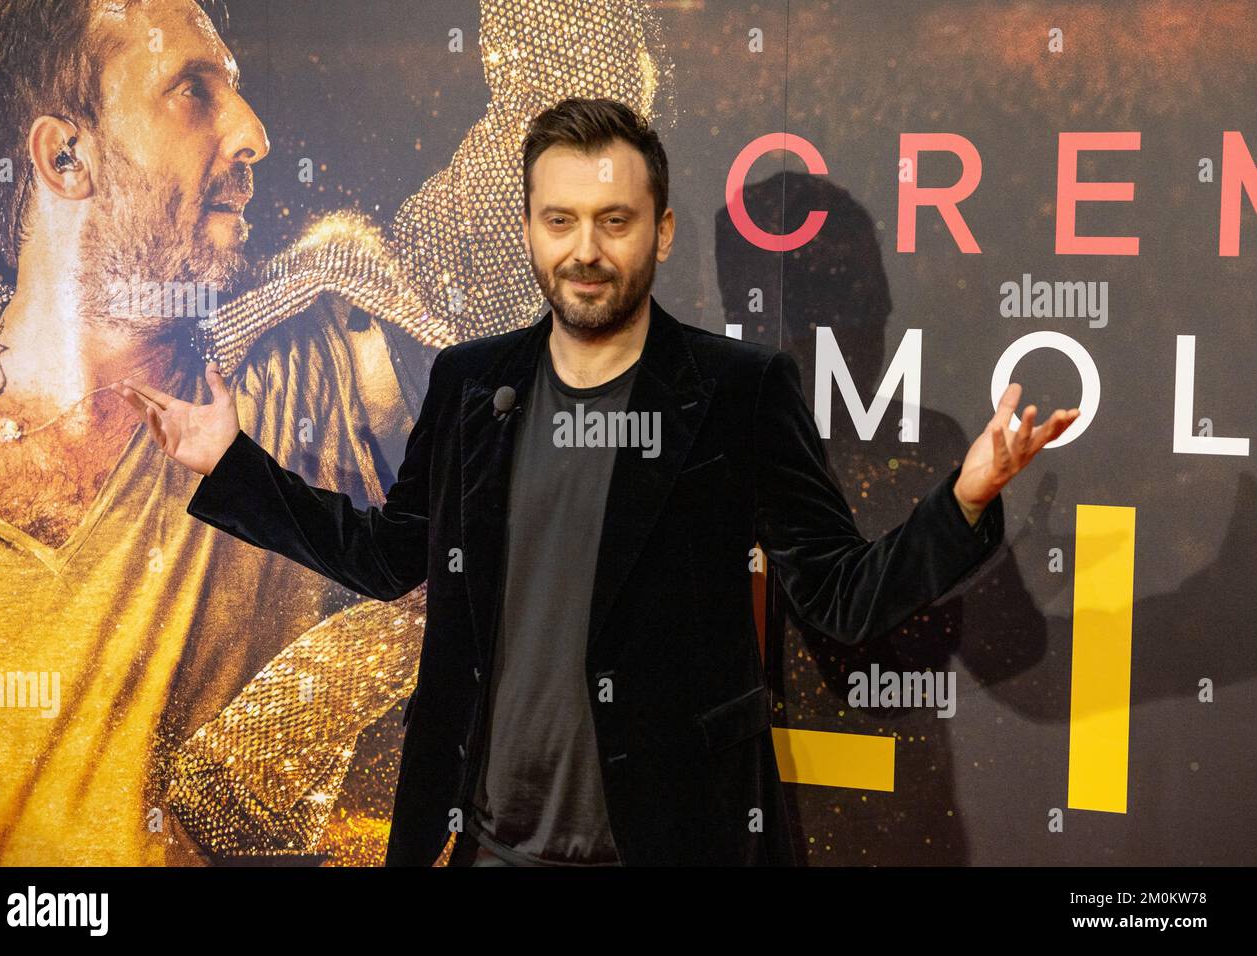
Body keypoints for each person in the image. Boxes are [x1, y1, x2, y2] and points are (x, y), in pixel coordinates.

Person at [114, 97, 1079, 866]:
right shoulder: (469, 384)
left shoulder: (739, 394)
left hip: (666, 844)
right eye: (560, 220)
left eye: (614, 221)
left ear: (659, 234)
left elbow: (838, 593)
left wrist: (967, 497)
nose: (585, 249)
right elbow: (381, 556)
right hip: (485, 843)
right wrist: (232, 465)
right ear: (530, 230)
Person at [0, 0, 670, 865]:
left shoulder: (328, 355)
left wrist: (298, 716)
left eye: (239, 89)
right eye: (193, 90)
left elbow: (580, 86)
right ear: (65, 157)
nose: (252, 132)